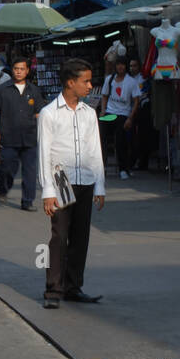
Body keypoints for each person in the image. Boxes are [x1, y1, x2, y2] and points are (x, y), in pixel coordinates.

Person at [38, 58, 105, 309]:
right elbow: (44, 153)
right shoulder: (49, 113)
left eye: (90, 80)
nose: (90, 86)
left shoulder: (89, 113)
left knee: (81, 237)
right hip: (61, 180)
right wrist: (47, 191)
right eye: (85, 81)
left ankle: (73, 286)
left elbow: (95, 150)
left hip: (86, 178)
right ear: (70, 82)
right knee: (60, 236)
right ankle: (53, 289)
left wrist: (100, 186)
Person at [0, 54, 41, 210]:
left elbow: (39, 113)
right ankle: (3, 189)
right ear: (12, 70)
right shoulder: (2, 89)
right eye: (16, 69)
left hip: (30, 137)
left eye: (22, 69)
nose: (18, 72)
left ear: (27, 71)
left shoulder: (34, 90)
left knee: (30, 171)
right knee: (7, 168)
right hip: (8, 136)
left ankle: (27, 201)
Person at [97, 58, 141, 180]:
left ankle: (123, 168)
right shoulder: (109, 79)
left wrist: (130, 118)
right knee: (101, 138)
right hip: (110, 113)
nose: (120, 67)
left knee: (121, 141)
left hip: (123, 114)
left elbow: (136, 101)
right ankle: (102, 167)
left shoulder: (131, 82)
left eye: (122, 65)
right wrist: (103, 111)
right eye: (118, 65)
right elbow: (104, 96)